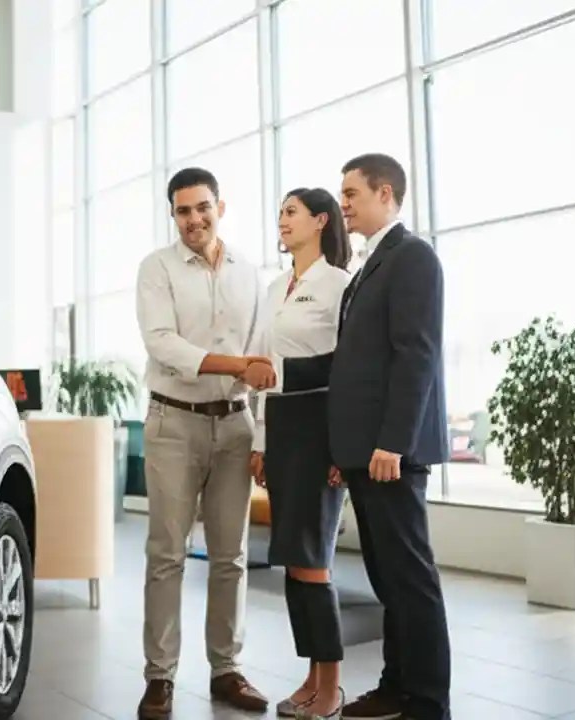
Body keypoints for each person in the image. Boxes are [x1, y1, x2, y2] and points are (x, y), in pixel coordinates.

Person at [280, 153, 452, 720]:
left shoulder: (413, 257)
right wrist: (274, 372)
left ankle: (426, 703)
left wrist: (393, 444)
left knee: (411, 579)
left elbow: (416, 355)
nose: (343, 204)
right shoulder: (368, 268)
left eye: (351, 194)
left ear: (386, 194)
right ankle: (395, 685)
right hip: (363, 450)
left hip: (389, 453)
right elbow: (352, 365)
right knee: (389, 580)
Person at [133, 166, 273, 720]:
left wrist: (260, 432)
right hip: (174, 422)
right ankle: (159, 677)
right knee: (166, 555)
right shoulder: (157, 268)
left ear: (220, 205)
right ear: (172, 214)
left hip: (235, 424)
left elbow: (263, 356)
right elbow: (163, 344)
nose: (193, 219)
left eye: (202, 207)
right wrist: (239, 364)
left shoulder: (248, 273)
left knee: (230, 556)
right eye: (182, 210)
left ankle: (226, 669)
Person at [245, 188, 352, 719]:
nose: (282, 220)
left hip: (319, 429)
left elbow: (345, 372)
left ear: (320, 220)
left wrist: (341, 448)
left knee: (313, 564)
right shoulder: (274, 288)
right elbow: (264, 372)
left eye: (292, 212)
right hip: (282, 427)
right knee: (292, 562)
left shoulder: (339, 286)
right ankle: (310, 677)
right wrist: (261, 441)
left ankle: (331, 686)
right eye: (280, 212)